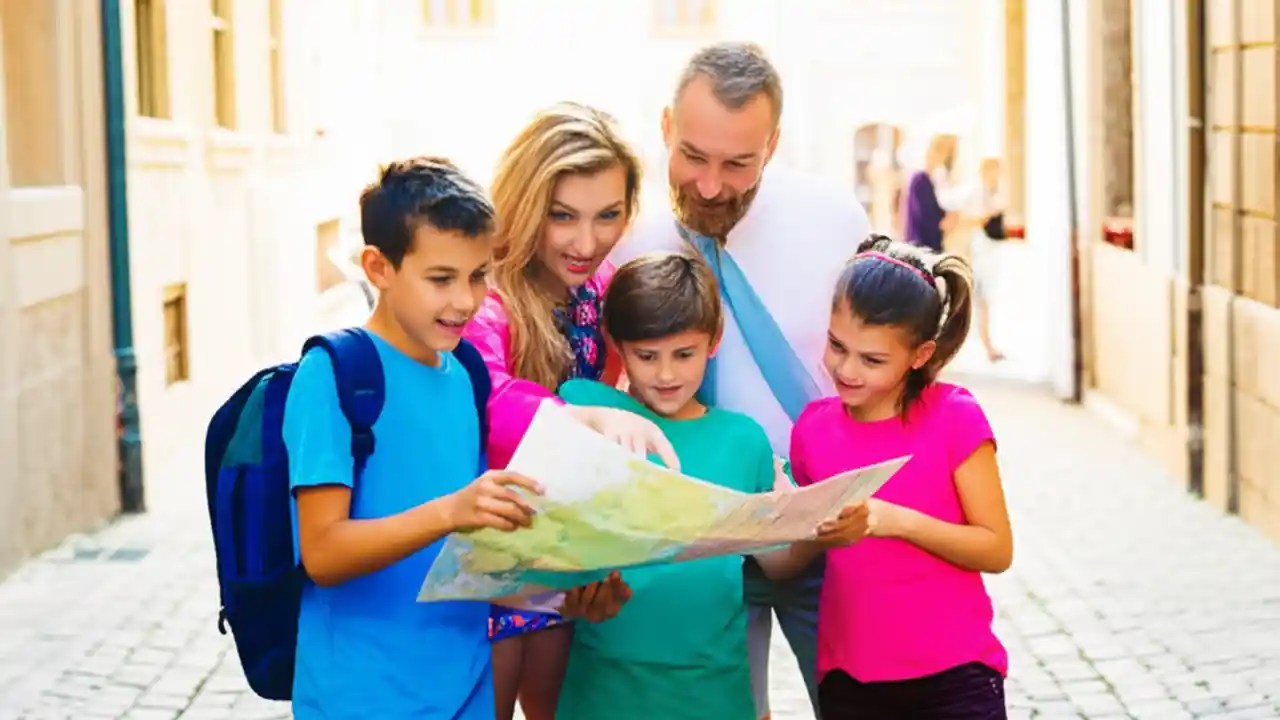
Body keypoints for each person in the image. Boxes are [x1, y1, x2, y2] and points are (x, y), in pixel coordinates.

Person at [282, 157, 633, 719]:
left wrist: (569, 600)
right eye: (441, 279)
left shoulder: (468, 372)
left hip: (468, 691)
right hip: (362, 697)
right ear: (378, 267)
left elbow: (470, 566)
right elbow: (323, 553)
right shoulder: (334, 375)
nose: (465, 301)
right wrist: (450, 512)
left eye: (478, 276)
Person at [610, 41, 871, 718]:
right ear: (666, 126)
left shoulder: (834, 219)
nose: (709, 185)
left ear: (773, 145)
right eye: (693, 155)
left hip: (821, 528)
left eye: (737, 164)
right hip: (692, 543)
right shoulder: (622, 235)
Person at [554, 251, 870, 720]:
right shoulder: (586, 407)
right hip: (603, 688)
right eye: (647, 356)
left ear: (714, 341)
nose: (666, 374)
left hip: (715, 691)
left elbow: (776, 564)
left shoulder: (742, 440)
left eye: (684, 354)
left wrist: (818, 528)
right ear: (616, 343)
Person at [461, 103, 670, 720]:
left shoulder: (604, 289)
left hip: (566, 555)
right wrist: (585, 420)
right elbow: (487, 397)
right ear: (525, 205)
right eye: (562, 216)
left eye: (608, 215)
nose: (587, 243)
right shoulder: (484, 295)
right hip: (487, 556)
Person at [790, 235, 1013, 719]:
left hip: (956, 680)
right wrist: (788, 517)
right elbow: (796, 560)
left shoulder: (955, 418)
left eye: (872, 359)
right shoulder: (811, 430)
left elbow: (997, 549)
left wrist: (895, 522)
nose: (846, 369)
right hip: (851, 683)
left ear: (920, 354)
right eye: (837, 345)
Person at [901, 134, 959, 254]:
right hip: (922, 249)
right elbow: (927, 218)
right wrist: (946, 220)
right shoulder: (920, 179)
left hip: (924, 248)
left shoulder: (928, 179)